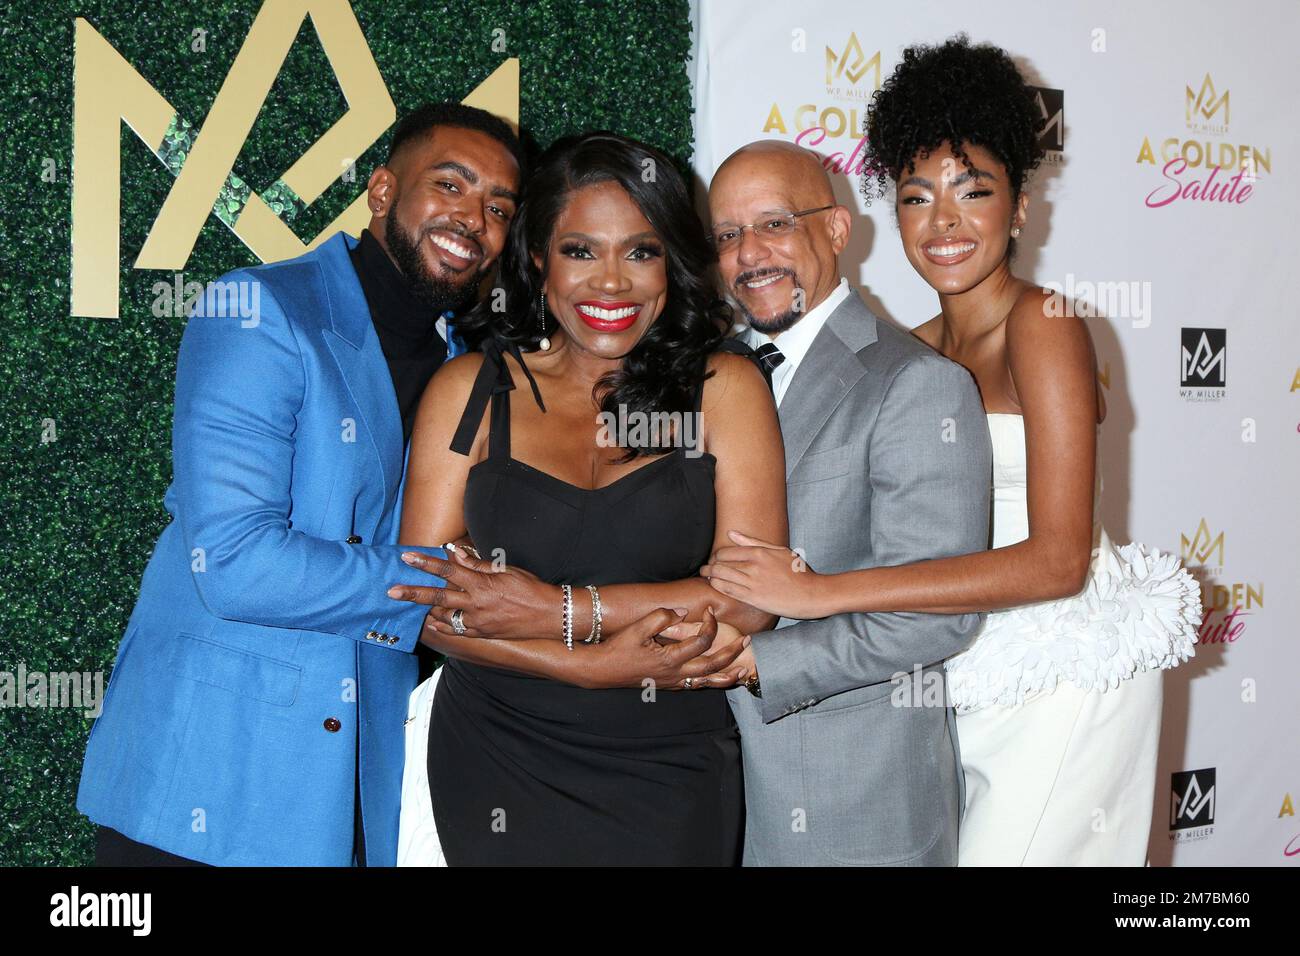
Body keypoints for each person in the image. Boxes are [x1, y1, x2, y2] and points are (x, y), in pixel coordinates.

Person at [704, 36, 1201, 866]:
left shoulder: (1044, 326)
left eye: (974, 192)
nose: (943, 223)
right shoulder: (914, 350)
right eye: (915, 196)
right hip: (959, 671)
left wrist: (823, 593)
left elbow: (1057, 560)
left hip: (1059, 666)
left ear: (1020, 210)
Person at [76, 102, 524, 866]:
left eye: (497, 207)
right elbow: (240, 564)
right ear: (382, 190)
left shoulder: (473, 369)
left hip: (354, 790)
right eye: (449, 185)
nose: (472, 218)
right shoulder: (258, 309)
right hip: (209, 780)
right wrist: (455, 587)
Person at [386, 132, 787, 865]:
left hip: (670, 766)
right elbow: (422, 602)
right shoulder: (471, 390)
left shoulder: (722, 390)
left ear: (672, 260)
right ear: (538, 257)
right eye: (581, 251)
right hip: (497, 755)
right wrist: (582, 661)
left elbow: (749, 597)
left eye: (641, 251)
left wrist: (556, 612)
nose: (612, 284)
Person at [694, 138, 995, 867]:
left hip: (852, 801)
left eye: (774, 224)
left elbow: (940, 609)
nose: (749, 253)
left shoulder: (917, 383)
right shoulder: (700, 376)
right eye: (728, 235)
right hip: (699, 790)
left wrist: (756, 662)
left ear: (835, 228)